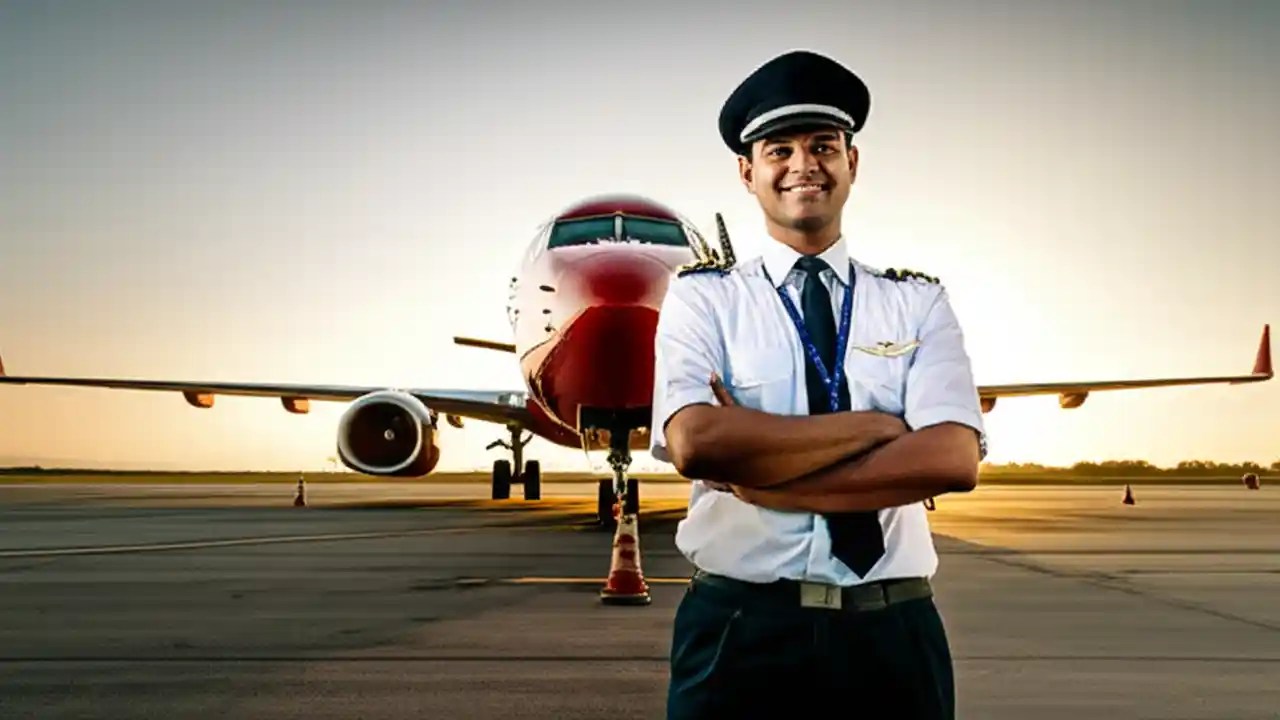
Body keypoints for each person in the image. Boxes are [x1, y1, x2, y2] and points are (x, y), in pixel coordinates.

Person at [650, 49, 988, 720]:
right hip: (741, 630)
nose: (803, 163)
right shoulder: (702, 300)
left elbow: (952, 458)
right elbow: (696, 441)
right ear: (748, 173)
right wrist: (878, 427)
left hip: (892, 631)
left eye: (823, 145)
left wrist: (762, 476)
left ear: (851, 163)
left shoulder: (916, 301)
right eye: (780, 149)